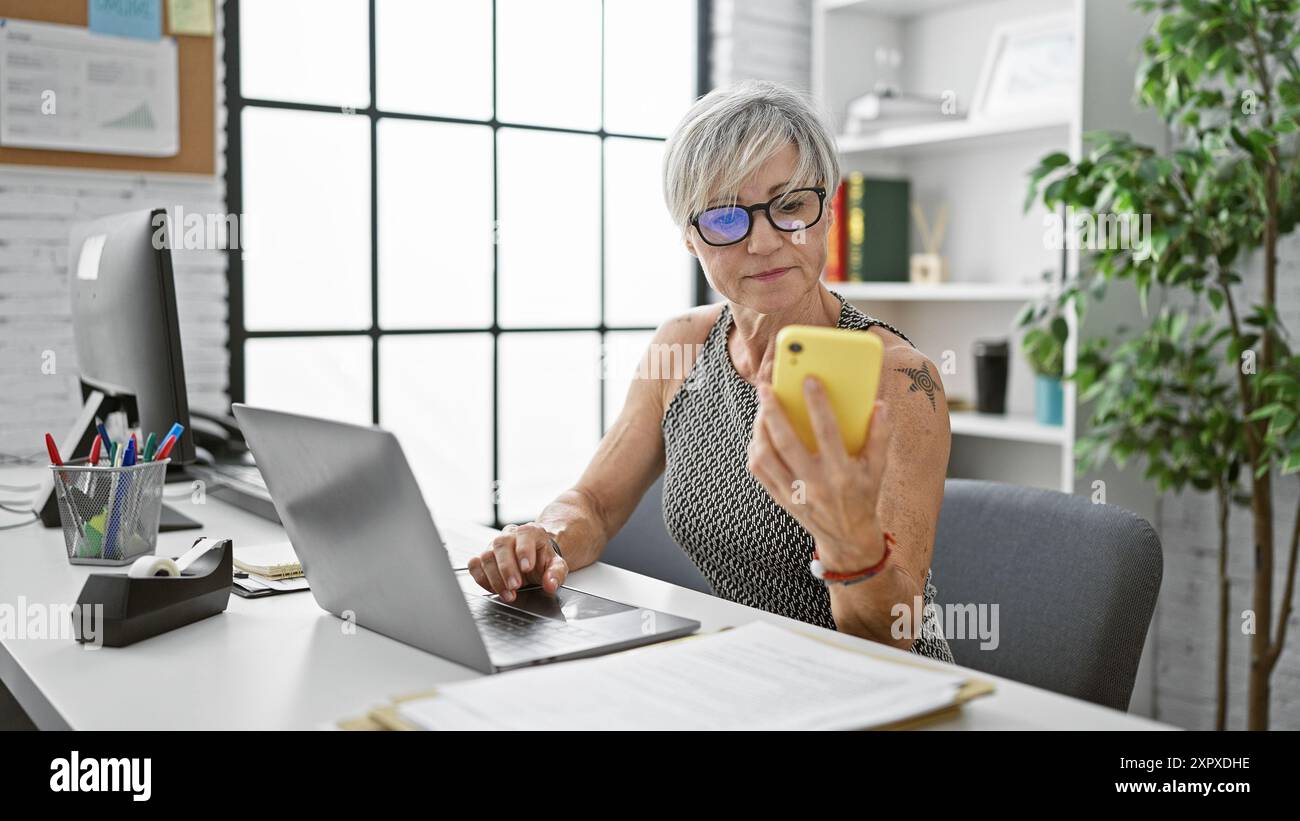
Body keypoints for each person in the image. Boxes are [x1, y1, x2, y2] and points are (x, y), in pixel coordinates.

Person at [468, 79, 954, 662]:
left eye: (791, 204)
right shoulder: (681, 346)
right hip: (751, 668)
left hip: (881, 686)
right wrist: (544, 540)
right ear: (689, 238)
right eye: (726, 218)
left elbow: (890, 634)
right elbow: (594, 504)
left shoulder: (900, 380)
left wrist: (847, 538)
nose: (766, 242)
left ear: (827, 211)